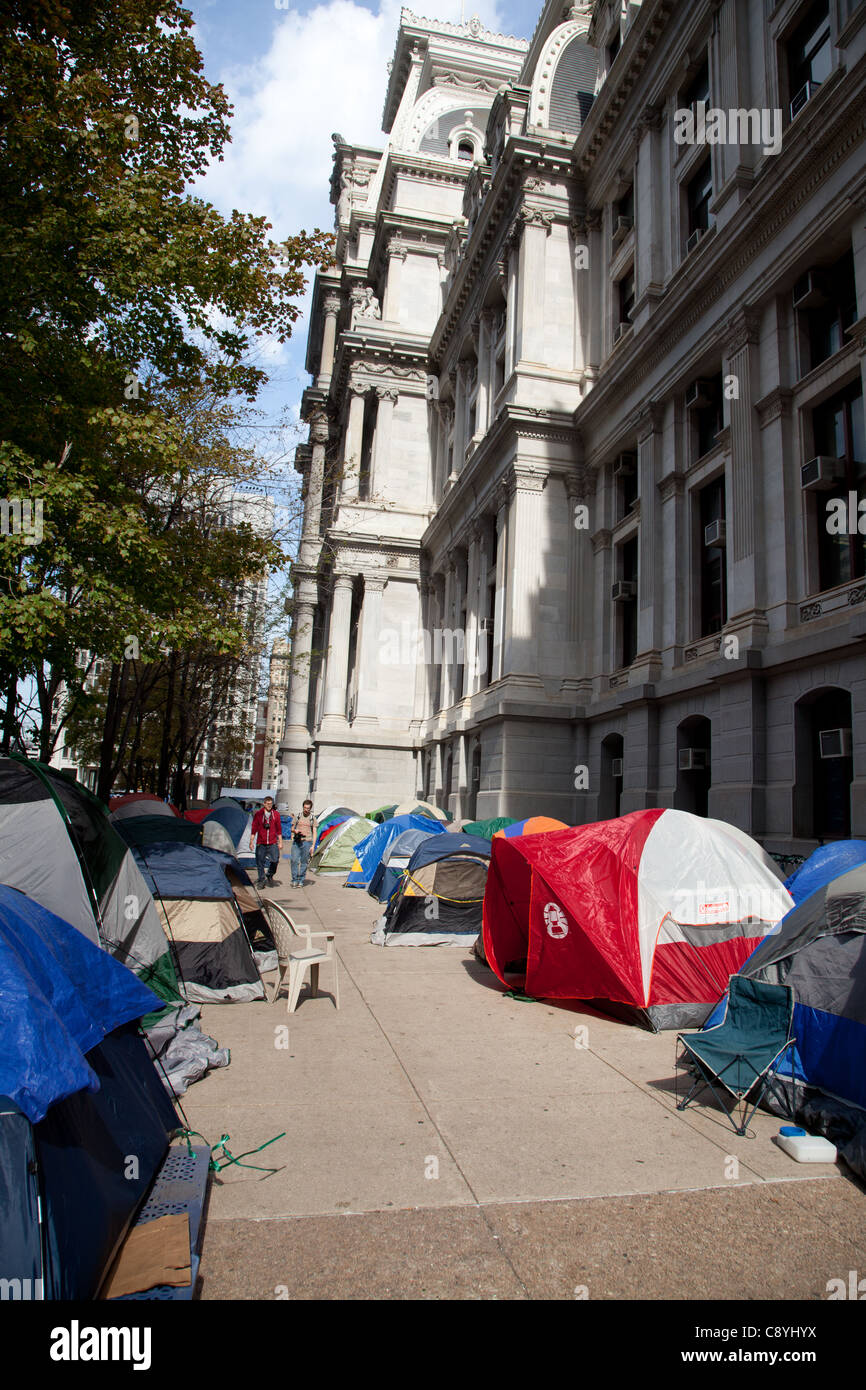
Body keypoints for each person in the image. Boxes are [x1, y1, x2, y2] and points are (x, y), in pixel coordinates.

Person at [250, 796, 283, 889]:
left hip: (272, 842)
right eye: (267, 804)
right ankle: (261, 880)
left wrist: (280, 842)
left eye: (270, 804)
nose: (269, 805)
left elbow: (279, 829)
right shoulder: (259, 814)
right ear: (264, 804)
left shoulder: (275, 814)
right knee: (260, 862)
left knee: (275, 860)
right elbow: (254, 828)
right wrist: (251, 841)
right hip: (261, 842)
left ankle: (269, 874)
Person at [290, 800, 317, 888]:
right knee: (294, 860)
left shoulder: (313, 818)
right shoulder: (297, 816)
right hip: (297, 841)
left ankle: (301, 880)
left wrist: (313, 845)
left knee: (304, 862)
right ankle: (294, 879)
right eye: (305, 808)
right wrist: (295, 831)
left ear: (310, 809)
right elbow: (292, 828)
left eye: (308, 808)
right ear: (303, 807)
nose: (306, 810)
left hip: (307, 842)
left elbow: (314, 832)